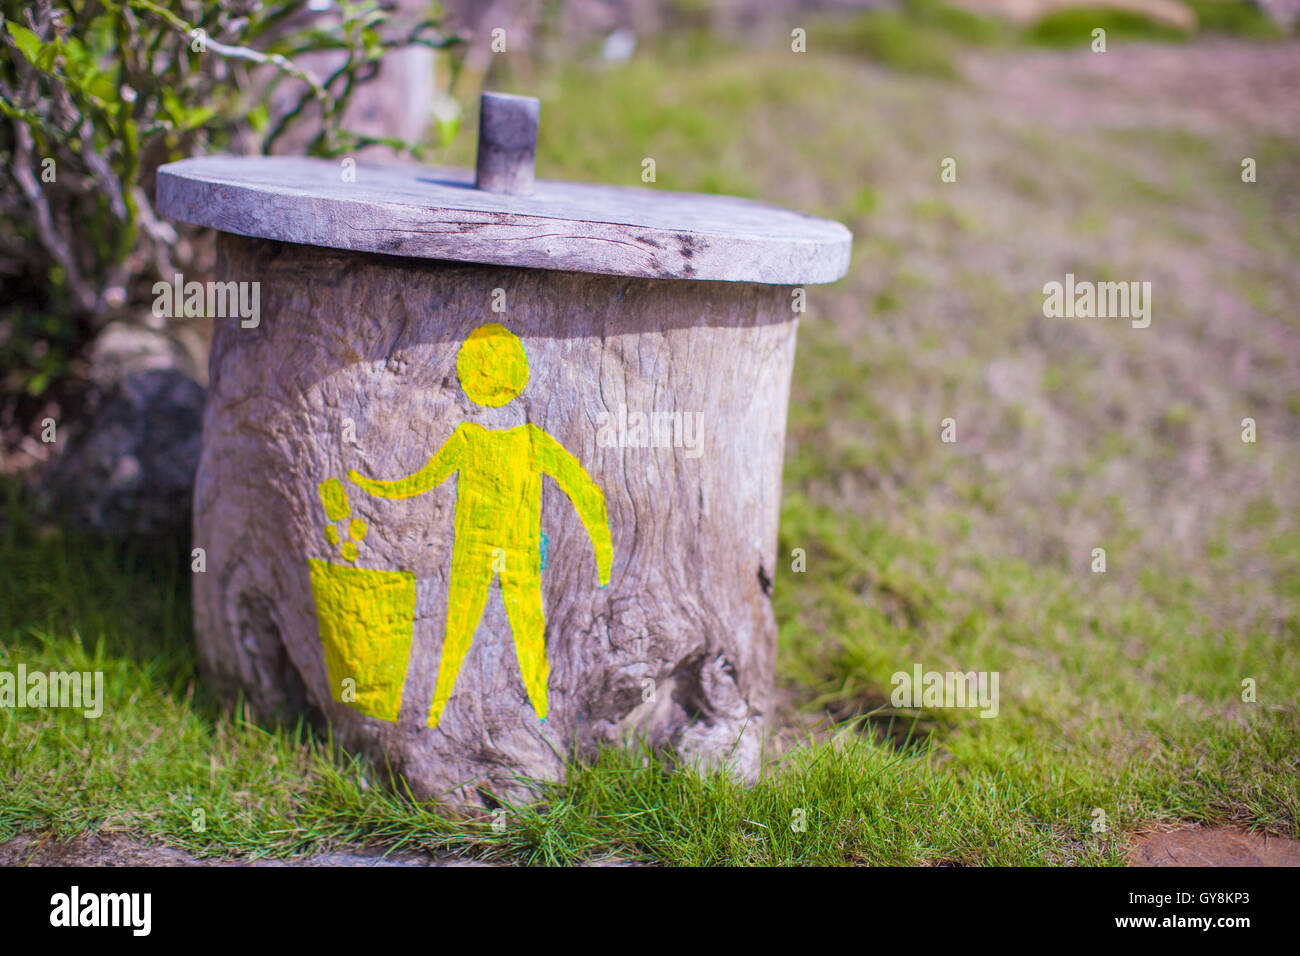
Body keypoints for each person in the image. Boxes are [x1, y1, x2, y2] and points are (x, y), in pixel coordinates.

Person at [349, 323, 613, 728]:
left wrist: (603, 554)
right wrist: (375, 487)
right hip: (490, 552)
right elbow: (583, 491)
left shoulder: (503, 440)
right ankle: (447, 709)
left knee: (502, 632)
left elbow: (583, 491)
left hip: (504, 552)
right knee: (483, 631)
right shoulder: (499, 439)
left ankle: (528, 711)